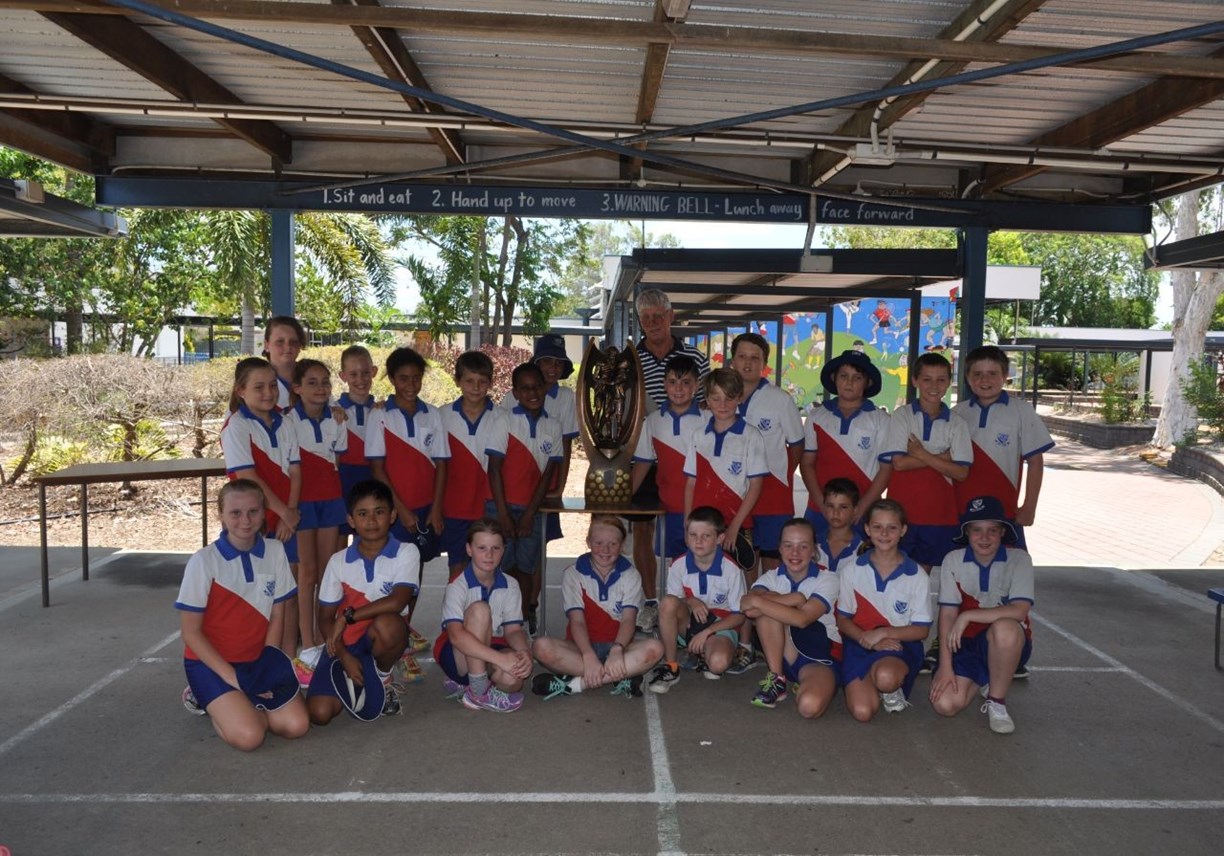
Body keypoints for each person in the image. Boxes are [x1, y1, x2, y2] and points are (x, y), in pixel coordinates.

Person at [175, 479, 309, 750]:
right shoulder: (203, 561)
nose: (245, 521)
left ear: (264, 512)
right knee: (250, 736)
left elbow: (278, 614)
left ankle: (237, 704)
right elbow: (190, 632)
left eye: (253, 511)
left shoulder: (275, 551)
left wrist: (268, 666)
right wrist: (235, 679)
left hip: (256, 660)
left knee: (296, 726)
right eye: (235, 513)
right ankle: (210, 700)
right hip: (212, 664)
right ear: (221, 515)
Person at [631, 288, 711, 635]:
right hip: (646, 443)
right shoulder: (631, 359)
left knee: (693, 528)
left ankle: (695, 602)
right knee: (642, 527)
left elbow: (707, 402)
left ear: (671, 316)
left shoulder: (695, 357)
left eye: (658, 316)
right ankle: (652, 601)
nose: (652, 323)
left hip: (686, 447)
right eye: (646, 318)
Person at [306, 480, 418, 725]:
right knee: (319, 714)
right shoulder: (338, 561)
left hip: (378, 636)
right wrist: (344, 656)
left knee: (390, 625)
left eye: (379, 512)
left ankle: (383, 677)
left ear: (392, 516)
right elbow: (325, 618)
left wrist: (348, 617)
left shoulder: (406, 552)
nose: (371, 521)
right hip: (344, 642)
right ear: (351, 520)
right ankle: (359, 675)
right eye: (363, 514)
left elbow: (398, 601)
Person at [729, 331, 804, 672]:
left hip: (773, 495)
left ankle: (774, 639)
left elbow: (796, 444)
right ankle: (744, 641)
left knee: (775, 571)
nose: (748, 363)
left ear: (764, 364)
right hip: (735, 493)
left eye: (755, 358)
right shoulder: (721, 395)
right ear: (733, 360)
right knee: (744, 566)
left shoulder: (779, 400)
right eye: (742, 356)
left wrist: (782, 475)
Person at [929, 496, 1034, 735]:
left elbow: (1019, 610)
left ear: (1002, 532)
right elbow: (947, 616)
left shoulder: (1019, 559)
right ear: (966, 532)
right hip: (965, 643)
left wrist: (967, 616)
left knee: (1005, 628)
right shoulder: (953, 560)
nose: (984, 537)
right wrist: (945, 666)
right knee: (945, 705)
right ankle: (988, 677)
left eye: (992, 530)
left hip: (1008, 643)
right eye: (977, 530)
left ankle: (997, 702)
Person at [220, 357, 302, 653]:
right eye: (259, 387)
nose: (268, 392)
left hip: (285, 521)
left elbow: (295, 471)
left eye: (272, 385)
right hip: (251, 521)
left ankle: (288, 661)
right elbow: (248, 477)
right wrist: (284, 512)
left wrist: (289, 515)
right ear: (241, 390)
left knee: (287, 595)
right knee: (251, 594)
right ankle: (246, 657)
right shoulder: (236, 426)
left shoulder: (286, 421)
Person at [531, 516, 663, 699]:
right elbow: (577, 621)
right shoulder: (573, 574)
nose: (605, 550)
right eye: (598, 543)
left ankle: (575, 685)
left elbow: (628, 619)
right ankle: (618, 676)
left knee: (655, 648)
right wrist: (588, 655)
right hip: (580, 649)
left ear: (622, 545)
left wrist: (617, 650)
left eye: (613, 544)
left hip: (619, 648)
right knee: (541, 646)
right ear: (588, 542)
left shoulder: (631, 575)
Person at [836, 499, 932, 721]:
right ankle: (873, 679)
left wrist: (882, 633)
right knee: (862, 712)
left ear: (903, 530)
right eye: (877, 527)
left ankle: (889, 686)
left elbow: (921, 630)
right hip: (861, 642)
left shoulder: (917, 575)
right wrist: (869, 640)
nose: (884, 533)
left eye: (892, 527)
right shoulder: (852, 570)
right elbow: (843, 620)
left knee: (886, 678)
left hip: (899, 644)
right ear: (867, 529)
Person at [952, 345, 1055, 551]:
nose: (984, 379)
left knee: (1009, 565)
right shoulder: (957, 413)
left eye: (992, 373)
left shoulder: (1021, 411)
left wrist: (1029, 506)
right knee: (962, 566)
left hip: (1005, 511)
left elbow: (1035, 462)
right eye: (977, 374)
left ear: (1005, 376)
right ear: (967, 377)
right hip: (962, 510)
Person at [739, 518, 840, 716]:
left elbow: (803, 619)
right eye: (788, 545)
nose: (795, 553)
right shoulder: (771, 577)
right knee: (767, 614)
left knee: (809, 707)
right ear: (780, 548)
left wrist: (760, 601)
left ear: (814, 550)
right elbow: (747, 609)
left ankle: (806, 683)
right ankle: (777, 679)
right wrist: (796, 598)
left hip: (818, 655)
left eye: (803, 546)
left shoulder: (828, 579)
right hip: (784, 654)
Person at [488, 362, 562, 633]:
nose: (532, 393)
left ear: (545, 388)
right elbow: (494, 469)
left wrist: (530, 513)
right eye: (525, 388)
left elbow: (547, 475)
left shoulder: (553, 426)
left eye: (537, 387)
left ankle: (523, 619)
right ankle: (500, 622)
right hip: (501, 508)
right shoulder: (504, 421)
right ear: (515, 393)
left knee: (527, 569)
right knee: (501, 567)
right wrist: (504, 514)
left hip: (534, 510)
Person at [285, 358, 347, 675]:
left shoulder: (337, 419)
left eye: (325, 382)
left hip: (331, 500)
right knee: (306, 574)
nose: (320, 388)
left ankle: (325, 639)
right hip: (303, 503)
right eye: (312, 382)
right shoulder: (286, 421)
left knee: (327, 572)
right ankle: (308, 644)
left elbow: (337, 459)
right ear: (296, 388)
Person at [882, 351, 972, 571]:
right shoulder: (902, 416)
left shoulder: (957, 423)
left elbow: (961, 473)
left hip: (939, 513)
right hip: (901, 512)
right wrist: (943, 458)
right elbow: (899, 463)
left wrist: (920, 454)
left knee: (924, 576)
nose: (934, 386)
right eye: (926, 379)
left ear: (949, 382)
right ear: (915, 380)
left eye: (941, 380)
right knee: (896, 571)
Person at [433, 519, 533, 712]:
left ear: (503, 550)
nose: (489, 554)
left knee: (514, 679)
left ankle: (468, 686)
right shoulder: (457, 585)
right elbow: (456, 636)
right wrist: (501, 660)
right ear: (469, 549)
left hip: (492, 646)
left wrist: (524, 653)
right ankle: (478, 692)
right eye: (482, 548)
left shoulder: (511, 585)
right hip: (459, 654)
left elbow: (513, 630)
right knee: (481, 609)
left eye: (496, 548)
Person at [647, 506, 748, 693]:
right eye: (693, 535)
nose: (698, 541)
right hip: (688, 623)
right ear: (686, 537)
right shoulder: (678, 565)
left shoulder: (731, 569)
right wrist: (690, 601)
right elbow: (674, 601)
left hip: (719, 626)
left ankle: (705, 652)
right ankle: (671, 665)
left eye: (706, 536)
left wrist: (707, 632)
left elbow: (739, 616)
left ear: (719, 539)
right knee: (667, 602)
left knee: (717, 665)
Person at [366, 347, 447, 562]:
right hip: (393, 508)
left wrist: (437, 508)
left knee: (417, 566)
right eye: (403, 378)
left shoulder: (433, 414)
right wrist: (400, 510)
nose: (411, 384)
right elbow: (377, 469)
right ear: (392, 379)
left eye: (416, 378)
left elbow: (441, 465)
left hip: (427, 507)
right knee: (393, 566)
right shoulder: (379, 414)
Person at [799, 350, 892, 535]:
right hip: (820, 510)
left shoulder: (881, 420)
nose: (849, 382)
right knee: (815, 551)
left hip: (863, 511)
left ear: (868, 383)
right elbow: (807, 463)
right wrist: (822, 504)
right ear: (833, 378)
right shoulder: (816, 416)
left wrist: (862, 506)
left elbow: (886, 469)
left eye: (857, 378)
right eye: (843, 376)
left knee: (863, 553)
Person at [500, 334, 579, 547]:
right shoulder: (512, 397)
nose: (553, 368)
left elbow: (566, 445)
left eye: (559, 363)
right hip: (513, 484)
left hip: (547, 481)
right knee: (506, 544)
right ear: (536, 362)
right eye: (547, 361)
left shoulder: (566, 397)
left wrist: (559, 487)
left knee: (537, 542)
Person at [683, 368, 766, 566]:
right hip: (702, 525)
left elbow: (756, 486)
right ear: (707, 400)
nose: (723, 405)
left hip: (736, 524)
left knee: (740, 576)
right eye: (716, 398)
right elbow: (690, 484)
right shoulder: (698, 436)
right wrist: (688, 524)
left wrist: (735, 527)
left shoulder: (751, 436)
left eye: (729, 398)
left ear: (739, 398)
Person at [440, 351, 509, 578]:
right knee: (457, 568)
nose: (476, 387)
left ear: (491, 382)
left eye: (482, 381)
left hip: (489, 506)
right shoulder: (441, 416)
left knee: (489, 568)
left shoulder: (503, 417)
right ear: (457, 381)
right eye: (469, 381)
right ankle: (455, 604)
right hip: (454, 506)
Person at [336, 345, 379, 517]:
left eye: (366, 373)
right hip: (343, 479)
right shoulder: (334, 410)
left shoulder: (381, 410)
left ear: (374, 372)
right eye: (353, 374)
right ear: (343, 376)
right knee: (344, 526)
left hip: (374, 477)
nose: (360, 379)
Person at [817, 477, 865, 574]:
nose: (836, 512)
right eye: (830, 506)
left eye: (843, 507)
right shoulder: (812, 544)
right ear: (824, 507)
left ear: (855, 510)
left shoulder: (863, 550)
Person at [262, 316, 307, 411]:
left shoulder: (313, 376)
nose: (288, 347)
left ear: (300, 345)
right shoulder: (253, 380)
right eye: (280, 342)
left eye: (293, 342)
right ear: (266, 345)